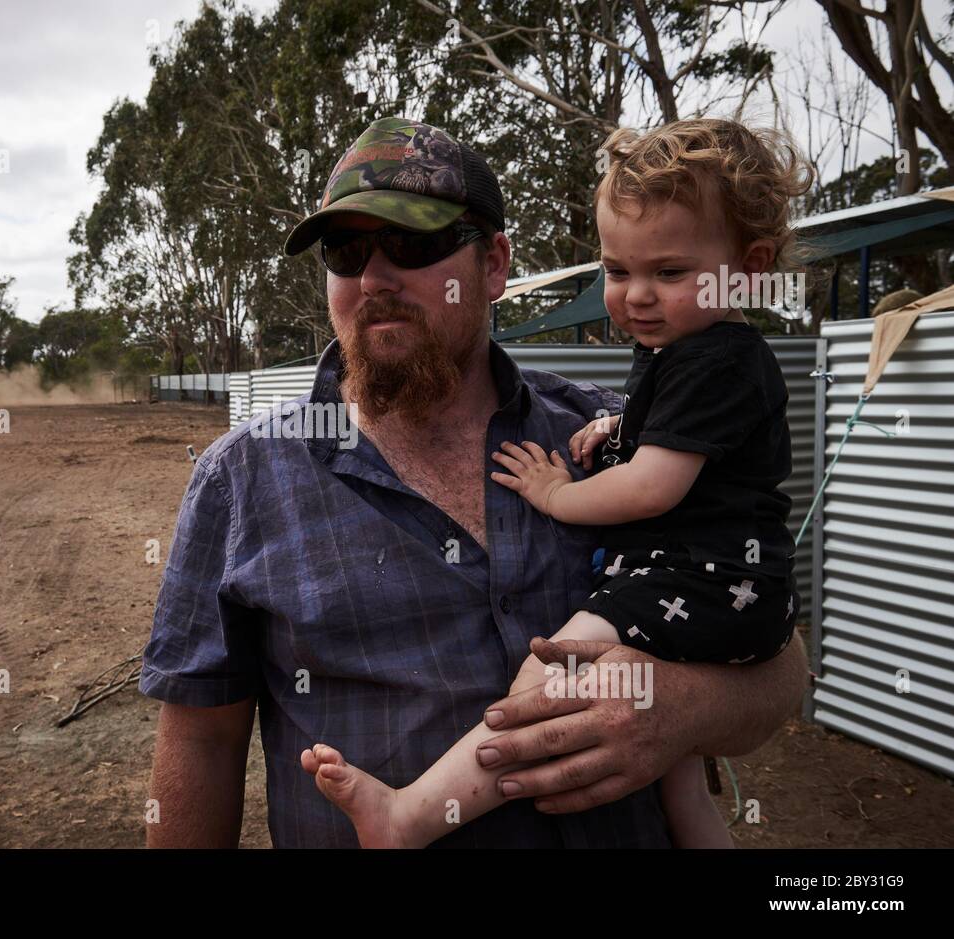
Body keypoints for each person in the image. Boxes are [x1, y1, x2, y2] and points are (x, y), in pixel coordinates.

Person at [140, 116, 809, 848]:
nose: (374, 278)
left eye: (415, 243)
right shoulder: (240, 479)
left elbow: (778, 660)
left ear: (494, 265)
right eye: (346, 249)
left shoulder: (615, 437)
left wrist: (681, 707)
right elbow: (202, 744)